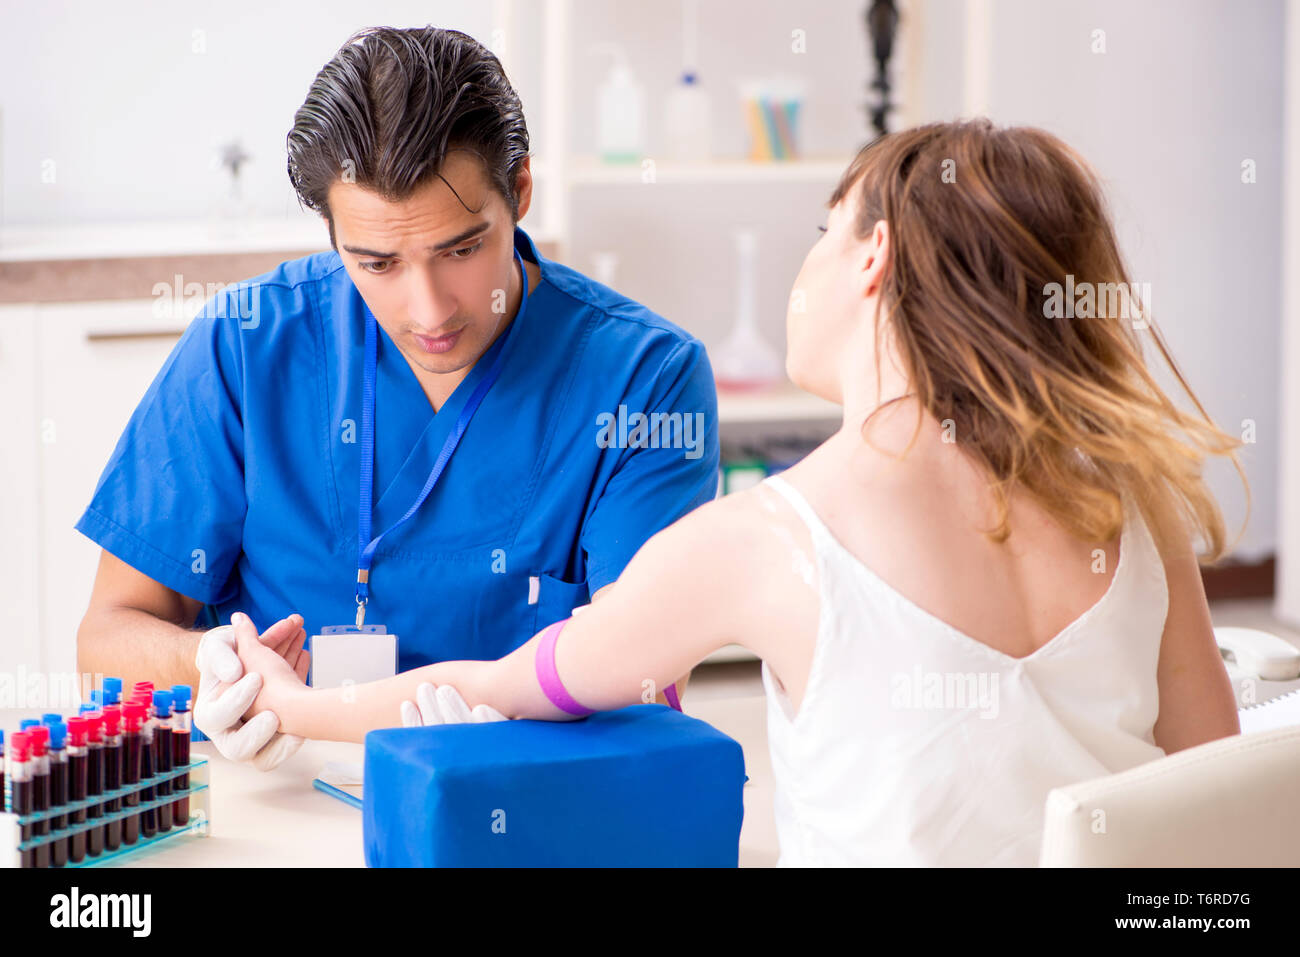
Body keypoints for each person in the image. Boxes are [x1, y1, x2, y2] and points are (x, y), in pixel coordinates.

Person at [232, 118, 1249, 865]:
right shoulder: (1134, 502)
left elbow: (503, 688)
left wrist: (300, 704)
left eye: (822, 229)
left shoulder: (770, 536)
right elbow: (1214, 791)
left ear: (872, 260)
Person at [74, 26, 718, 770]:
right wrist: (208, 663)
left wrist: (508, 725)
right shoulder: (247, 345)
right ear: (331, 231)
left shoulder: (644, 378)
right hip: (280, 792)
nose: (429, 309)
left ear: (522, 191)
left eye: (463, 249)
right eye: (376, 261)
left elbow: (646, 675)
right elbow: (107, 640)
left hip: (518, 805)